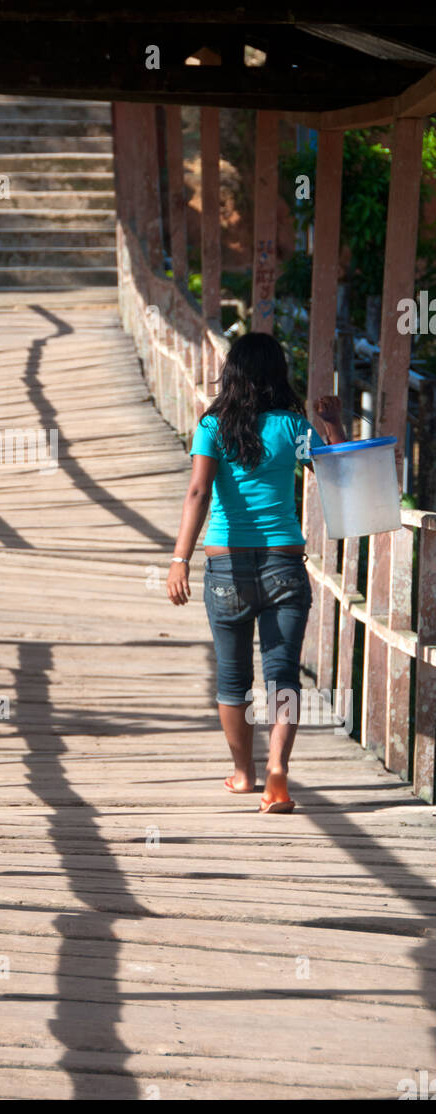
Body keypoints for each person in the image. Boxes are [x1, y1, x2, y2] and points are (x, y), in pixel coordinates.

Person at [166, 332, 345, 814]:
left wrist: (179, 559)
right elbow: (338, 475)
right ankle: (278, 772)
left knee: (232, 677)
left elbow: (198, 494)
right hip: (284, 565)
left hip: (225, 565)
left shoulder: (213, 425)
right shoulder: (293, 425)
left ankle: (244, 773)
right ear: (277, 374)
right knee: (282, 675)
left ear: (233, 373)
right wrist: (333, 426)